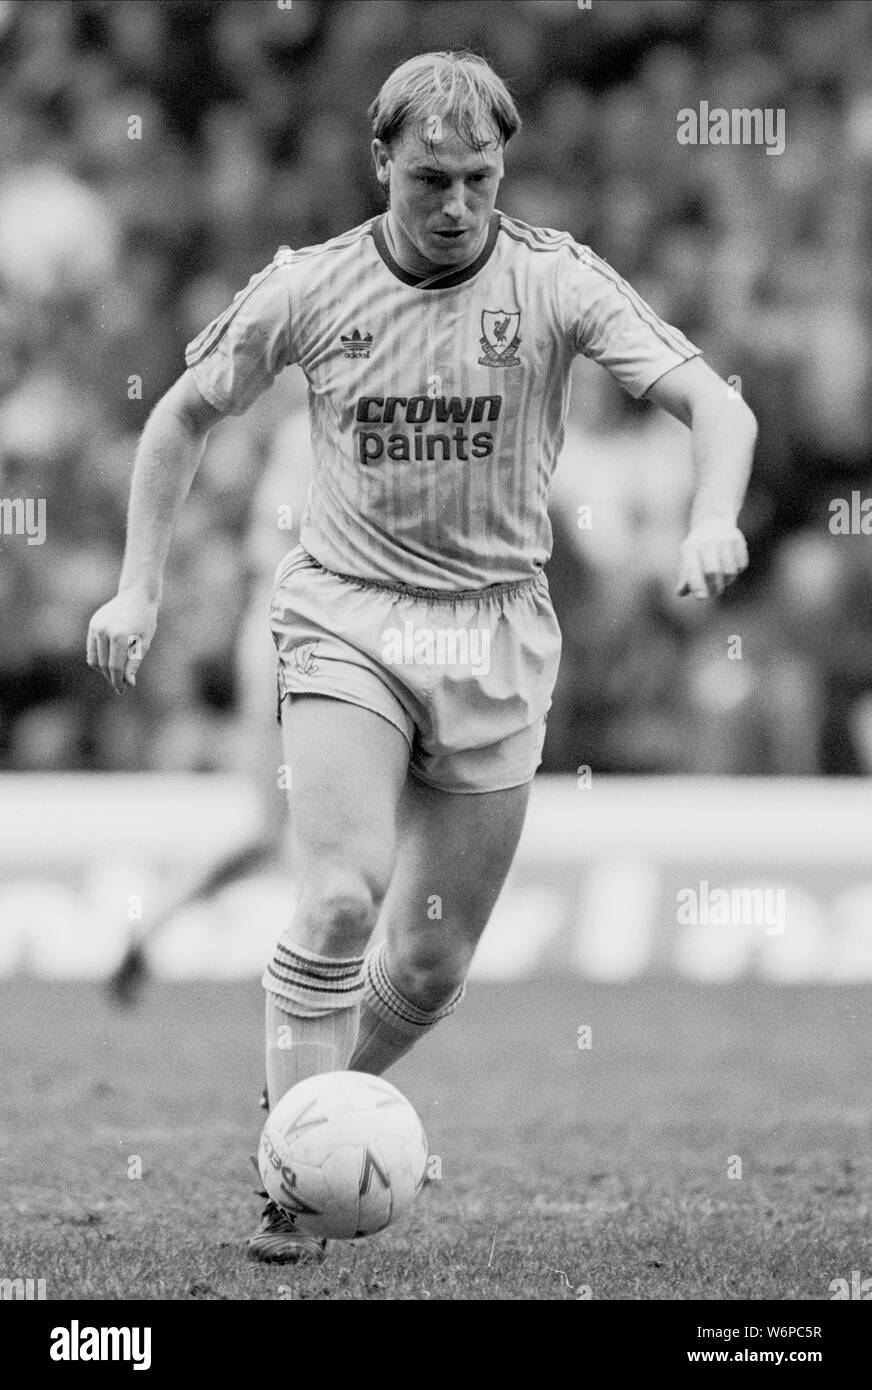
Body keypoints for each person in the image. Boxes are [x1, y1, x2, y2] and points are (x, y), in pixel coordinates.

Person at [86, 50, 756, 1264]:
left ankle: (296, 1109)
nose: (456, 207)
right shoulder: (310, 286)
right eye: (430, 179)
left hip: (495, 631)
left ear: (505, 170)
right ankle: (294, 1181)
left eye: (480, 180)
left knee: (431, 960)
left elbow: (721, 406)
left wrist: (714, 514)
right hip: (346, 615)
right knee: (340, 896)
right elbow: (180, 412)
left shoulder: (555, 282)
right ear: (379, 162)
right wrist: (138, 583)